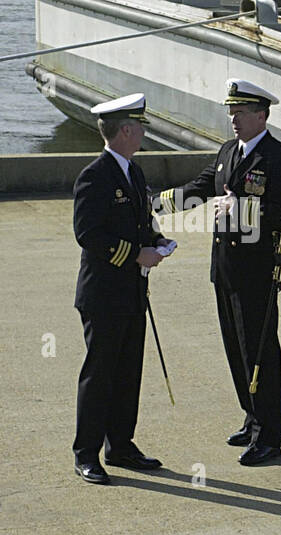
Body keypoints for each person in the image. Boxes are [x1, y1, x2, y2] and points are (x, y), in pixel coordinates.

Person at [155, 79, 281, 466]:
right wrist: (154, 204)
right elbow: (202, 188)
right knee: (235, 348)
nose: (233, 119)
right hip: (225, 270)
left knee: (259, 351)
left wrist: (243, 212)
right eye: (231, 112)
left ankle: (270, 434)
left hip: (256, 272)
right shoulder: (227, 152)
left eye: (240, 113)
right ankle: (252, 416)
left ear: (261, 115)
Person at [72, 94, 173, 484]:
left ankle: (120, 445)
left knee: (128, 370)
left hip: (132, 291)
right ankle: (86, 453)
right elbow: (88, 234)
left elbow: (139, 223)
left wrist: (158, 241)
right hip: (104, 294)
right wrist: (136, 255)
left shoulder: (134, 172)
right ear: (127, 130)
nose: (144, 132)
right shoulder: (94, 176)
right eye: (141, 126)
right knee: (100, 373)